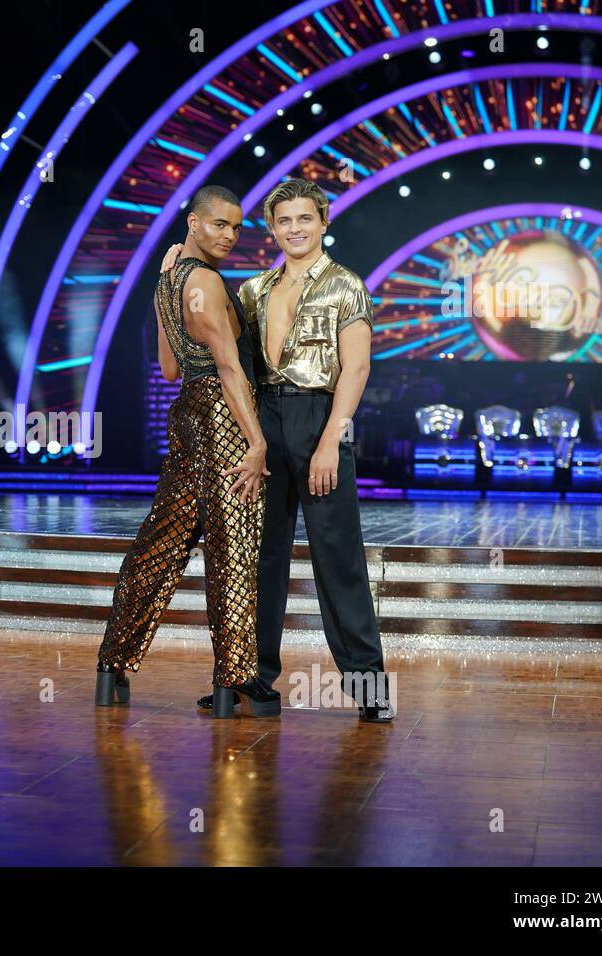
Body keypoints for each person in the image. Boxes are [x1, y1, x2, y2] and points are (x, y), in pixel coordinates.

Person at [161, 178, 394, 722]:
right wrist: (177, 266)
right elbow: (218, 354)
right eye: (284, 220)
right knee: (258, 559)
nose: (294, 229)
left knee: (338, 560)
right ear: (272, 228)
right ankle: (249, 679)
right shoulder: (253, 291)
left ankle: (370, 689)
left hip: (320, 421)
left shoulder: (345, 285)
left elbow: (356, 368)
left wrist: (332, 440)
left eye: (304, 219)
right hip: (263, 421)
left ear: (323, 222)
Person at [95, 184, 278, 718]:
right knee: (234, 550)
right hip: (224, 415)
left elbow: (170, 369)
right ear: (193, 222)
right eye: (218, 223)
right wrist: (257, 440)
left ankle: (113, 666)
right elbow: (228, 366)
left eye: (236, 227)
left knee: (161, 541)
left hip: (185, 417)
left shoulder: (167, 281)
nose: (228, 234)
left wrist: (163, 300)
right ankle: (234, 683)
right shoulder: (207, 282)